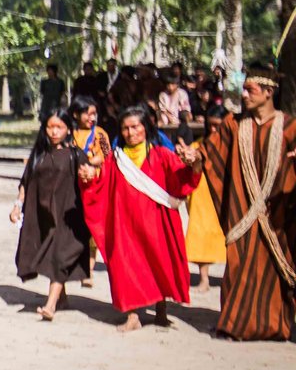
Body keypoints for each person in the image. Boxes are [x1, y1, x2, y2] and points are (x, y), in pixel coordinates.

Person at [181, 66, 296, 340]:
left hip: (277, 214)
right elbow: (210, 153)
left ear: (269, 92)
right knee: (239, 266)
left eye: (250, 90)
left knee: (273, 271)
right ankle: (236, 324)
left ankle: (277, 326)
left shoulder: (289, 125)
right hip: (241, 212)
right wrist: (194, 157)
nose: (244, 95)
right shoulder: (234, 124)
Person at [80, 105, 201, 332]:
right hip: (124, 224)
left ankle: (161, 310)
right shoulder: (116, 159)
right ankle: (133, 315)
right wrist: (89, 178)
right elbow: (101, 182)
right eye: (125, 128)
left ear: (146, 127)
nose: (130, 132)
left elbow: (184, 179)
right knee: (126, 266)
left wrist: (195, 162)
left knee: (160, 264)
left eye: (135, 126)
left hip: (157, 222)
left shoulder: (162, 155)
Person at [11, 108, 91, 320]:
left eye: (59, 127)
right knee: (52, 257)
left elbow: (92, 181)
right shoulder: (39, 154)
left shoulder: (76, 155)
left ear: (68, 129)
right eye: (50, 127)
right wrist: (17, 205)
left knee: (59, 256)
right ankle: (62, 297)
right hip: (43, 216)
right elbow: (25, 182)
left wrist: (90, 173)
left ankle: (51, 305)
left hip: (68, 218)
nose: (54, 132)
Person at [184, 104, 228, 293]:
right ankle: (204, 279)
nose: (213, 129)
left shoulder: (232, 149)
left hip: (225, 196)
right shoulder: (197, 147)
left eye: (217, 125)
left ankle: (229, 279)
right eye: (210, 125)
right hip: (201, 194)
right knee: (200, 234)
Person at [69, 95, 111, 287]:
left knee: (92, 230)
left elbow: (106, 157)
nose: (92, 118)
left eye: (95, 114)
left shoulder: (100, 134)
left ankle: (89, 271)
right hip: (73, 185)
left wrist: (89, 162)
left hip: (94, 187)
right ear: (77, 114)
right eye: (88, 114)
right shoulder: (70, 133)